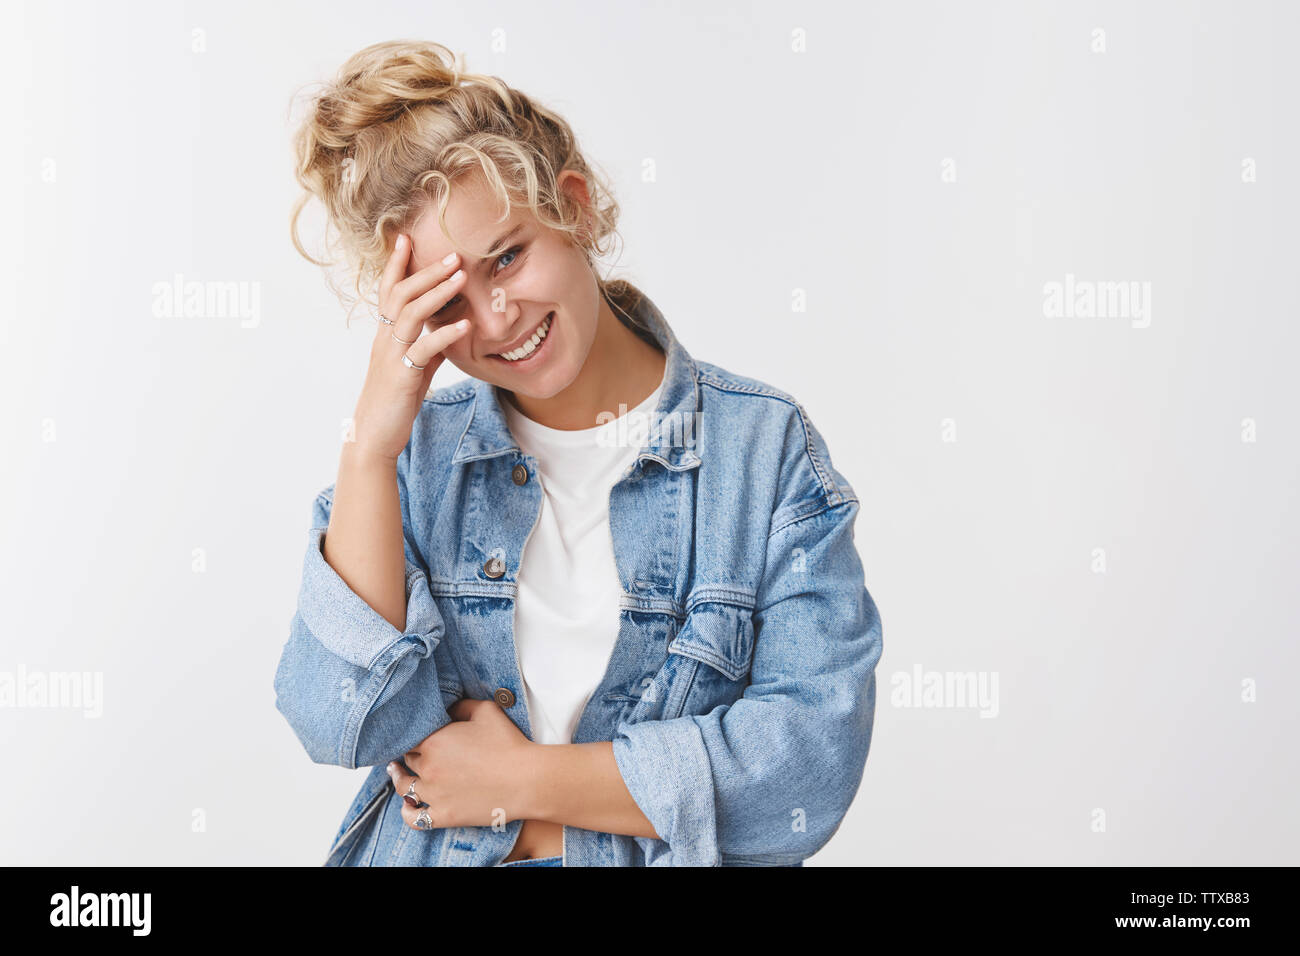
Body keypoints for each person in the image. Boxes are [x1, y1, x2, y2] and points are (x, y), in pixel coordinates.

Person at [273, 39, 883, 867]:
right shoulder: (413, 463)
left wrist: (522, 784)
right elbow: (340, 718)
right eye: (449, 298)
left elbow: (805, 769)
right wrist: (369, 448)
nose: (494, 321)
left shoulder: (761, 453)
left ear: (575, 206)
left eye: (509, 257)